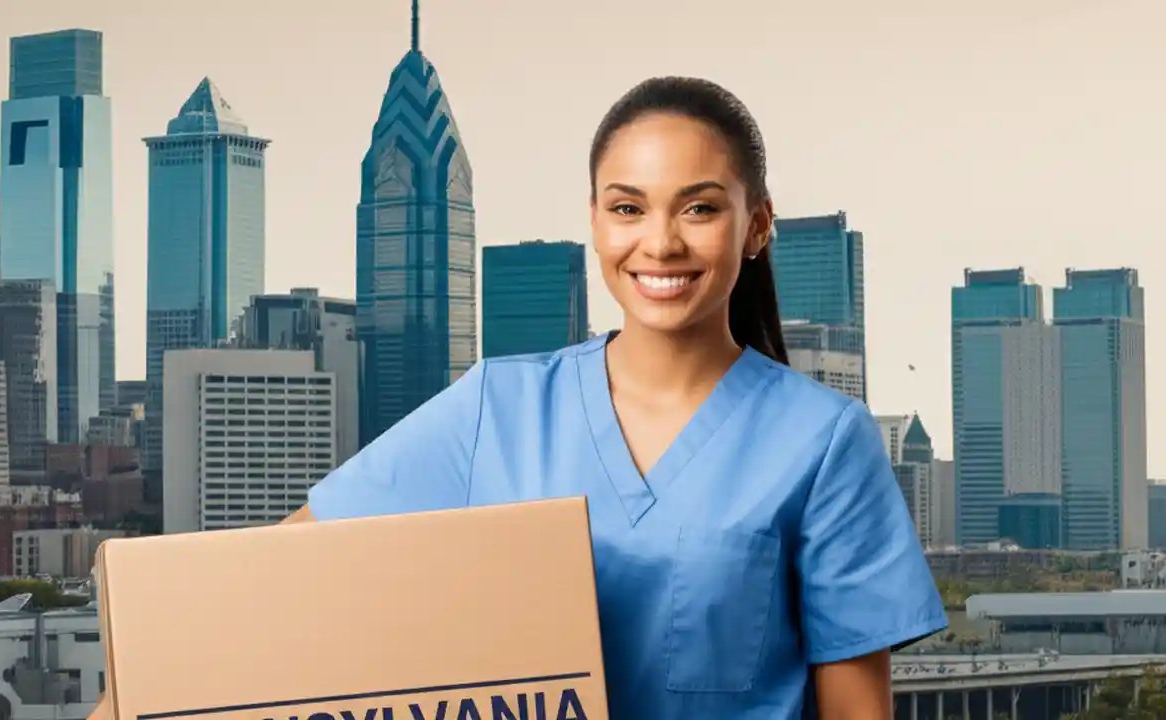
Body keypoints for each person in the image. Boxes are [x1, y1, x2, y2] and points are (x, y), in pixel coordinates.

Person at [92, 76, 945, 720]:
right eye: (628, 208)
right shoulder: (494, 409)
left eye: (699, 208)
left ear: (756, 225)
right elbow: (264, 585)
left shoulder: (824, 443)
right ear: (596, 221)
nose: (660, 242)